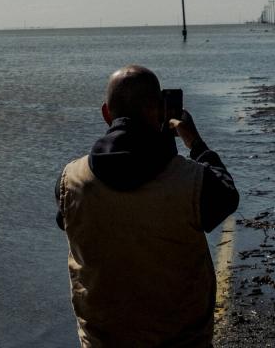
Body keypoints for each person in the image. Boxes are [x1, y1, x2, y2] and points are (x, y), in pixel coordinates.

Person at [56, 65, 240, 347]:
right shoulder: (190, 180)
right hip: (180, 340)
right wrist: (195, 142)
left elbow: (65, 221)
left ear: (107, 114)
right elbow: (227, 197)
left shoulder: (72, 180)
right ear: (160, 112)